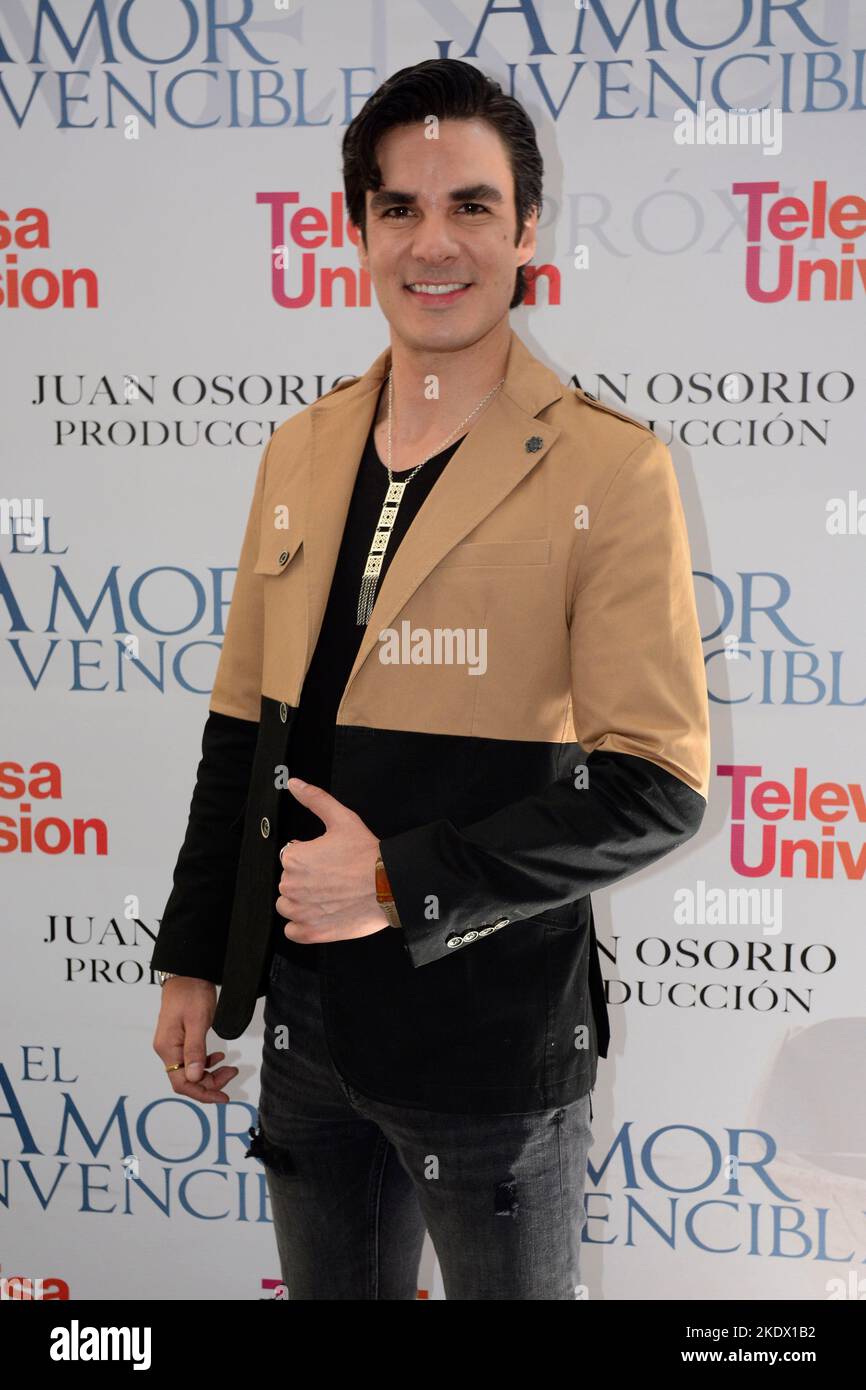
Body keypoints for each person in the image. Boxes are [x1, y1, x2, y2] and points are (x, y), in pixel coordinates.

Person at [151, 57, 710, 1300]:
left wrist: (400, 882)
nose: (432, 241)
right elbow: (243, 731)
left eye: (468, 204)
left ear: (522, 229)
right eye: (398, 208)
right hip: (303, 1027)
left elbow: (655, 788)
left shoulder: (609, 470)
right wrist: (197, 953)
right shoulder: (300, 444)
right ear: (356, 231)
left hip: (488, 1048)